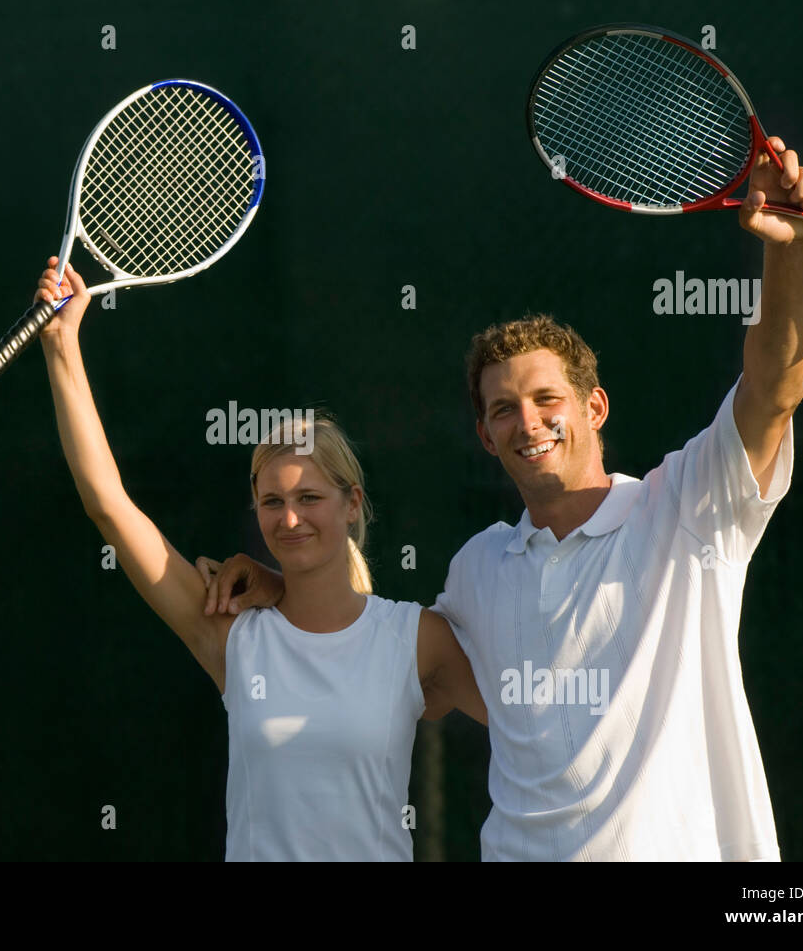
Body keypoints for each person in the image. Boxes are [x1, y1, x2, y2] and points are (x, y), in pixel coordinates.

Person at [201, 137, 803, 861]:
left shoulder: (688, 505)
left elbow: (774, 388)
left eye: (546, 398)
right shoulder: (480, 567)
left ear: (595, 407)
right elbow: (384, 660)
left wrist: (788, 251)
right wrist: (285, 585)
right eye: (503, 409)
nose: (527, 421)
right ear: (486, 436)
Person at [34, 257, 485, 861]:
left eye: (309, 498)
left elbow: (529, 727)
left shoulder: (416, 637)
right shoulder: (230, 633)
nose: (290, 518)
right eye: (272, 501)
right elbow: (108, 505)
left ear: (351, 504)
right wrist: (63, 345)